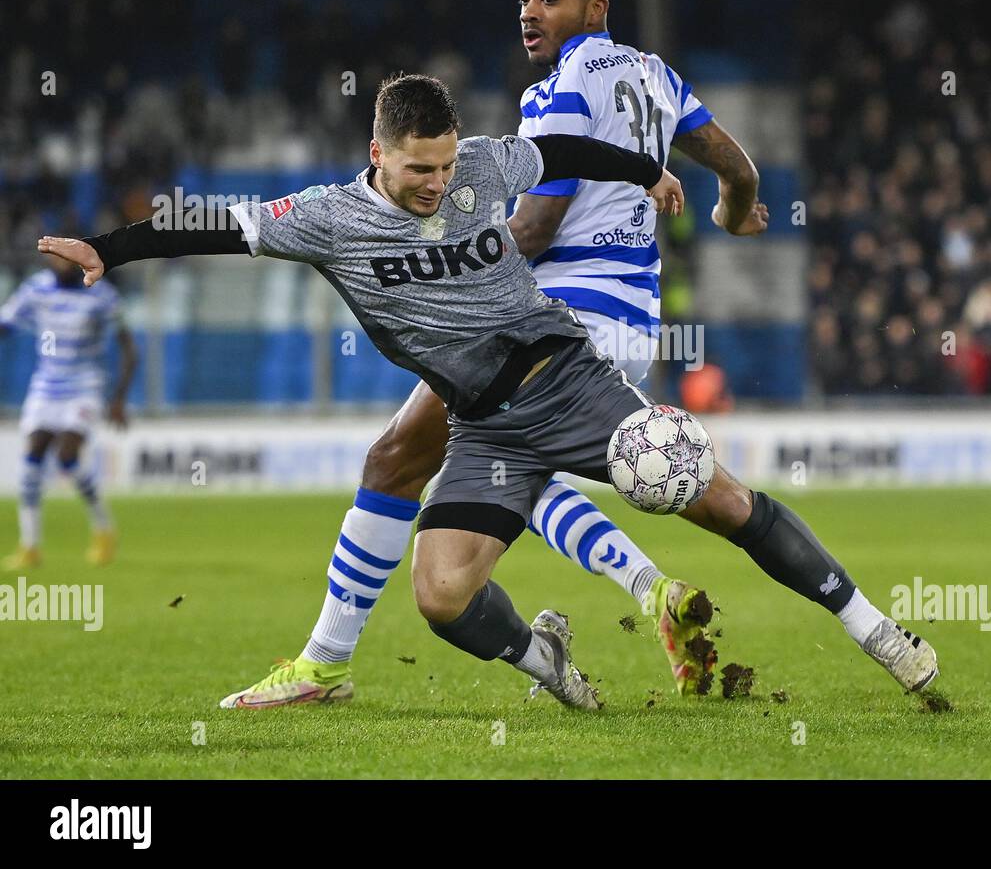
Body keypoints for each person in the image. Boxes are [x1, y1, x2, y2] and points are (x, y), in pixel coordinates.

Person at [43, 74, 939, 712]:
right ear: (376, 155)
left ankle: (877, 633)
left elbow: (562, 149)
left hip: (570, 382)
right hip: (484, 429)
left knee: (720, 500)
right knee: (439, 599)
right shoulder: (322, 218)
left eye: (444, 168)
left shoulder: (482, 165)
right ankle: (539, 653)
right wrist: (107, 250)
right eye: (417, 171)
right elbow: (210, 226)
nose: (438, 185)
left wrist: (647, 172)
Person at [1, 252, 136, 569]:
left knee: (66, 457)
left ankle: (104, 529)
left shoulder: (102, 295)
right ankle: (30, 546)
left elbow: (129, 347)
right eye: (56, 258)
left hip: (84, 387)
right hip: (45, 386)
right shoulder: (36, 289)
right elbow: (5, 324)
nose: (61, 264)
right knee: (32, 457)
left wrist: (118, 399)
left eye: (68, 259)